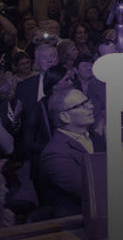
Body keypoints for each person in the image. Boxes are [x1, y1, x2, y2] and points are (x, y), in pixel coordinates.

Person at [37, 88, 103, 218]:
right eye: (82, 105)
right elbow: (90, 191)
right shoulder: (54, 154)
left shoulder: (96, 138)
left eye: (88, 101)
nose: (91, 106)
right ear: (64, 116)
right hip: (76, 225)